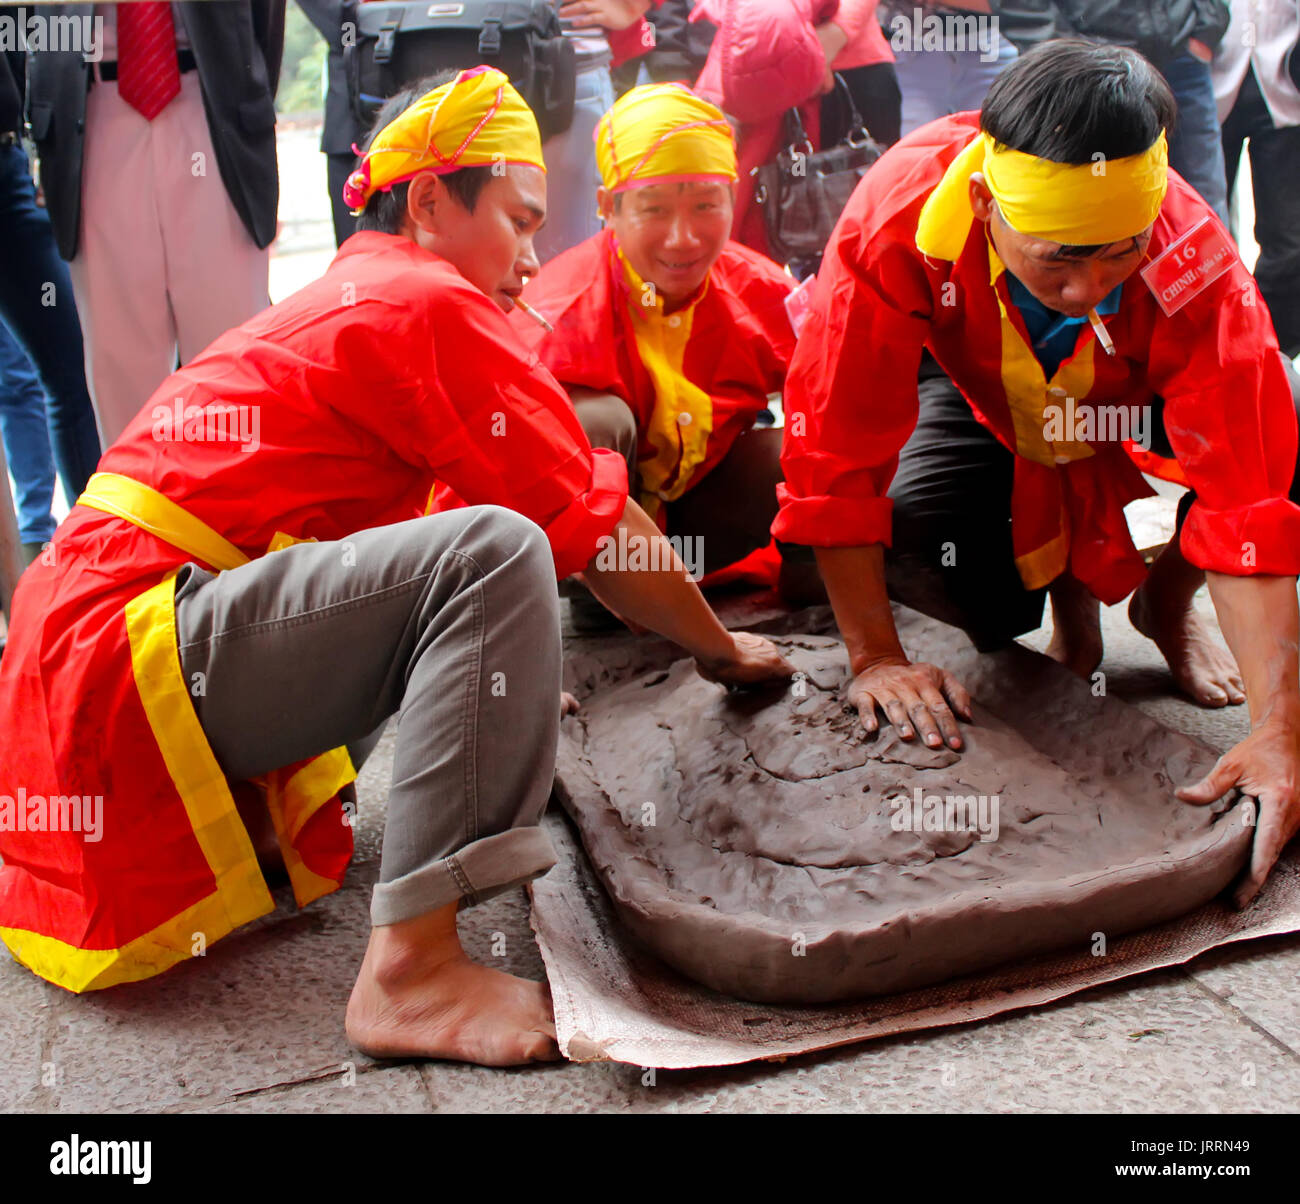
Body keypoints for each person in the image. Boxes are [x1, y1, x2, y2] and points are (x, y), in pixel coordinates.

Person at [0, 67, 791, 1067]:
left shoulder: (364, 287)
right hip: (123, 641)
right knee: (495, 552)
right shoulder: (425, 298)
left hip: (92, 634)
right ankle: (411, 970)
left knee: (480, 547)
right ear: (427, 202)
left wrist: (495, 691)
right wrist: (721, 650)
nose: (527, 257)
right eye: (513, 220)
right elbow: (588, 523)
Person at [776, 39, 1300, 906]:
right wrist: (875, 659)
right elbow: (835, 447)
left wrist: (1278, 734)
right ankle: (1061, 603)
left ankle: (1163, 602)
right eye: (1057, 257)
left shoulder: (1185, 251)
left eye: (1116, 255)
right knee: (947, 565)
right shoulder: (898, 214)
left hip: (1124, 393)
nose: (1087, 288)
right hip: (981, 390)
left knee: (1290, 420)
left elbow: (1247, 491)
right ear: (986, 205)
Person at [514, 83, 817, 599]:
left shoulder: (765, 292)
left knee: (808, 439)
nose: (684, 238)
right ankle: (607, 598)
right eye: (654, 211)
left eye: (705, 205)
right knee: (594, 420)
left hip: (700, 528)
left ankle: (816, 592)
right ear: (608, 206)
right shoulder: (553, 312)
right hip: (587, 543)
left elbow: (838, 400)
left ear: (733, 195)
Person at [25, 1, 285, 445]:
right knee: (120, 363)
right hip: (90, 115)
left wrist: (248, 95)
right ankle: (141, 509)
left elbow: (266, 16)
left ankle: (243, 507)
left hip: (211, 108)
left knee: (232, 352)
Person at [1214, 0, 1300, 357]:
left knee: (1290, 239)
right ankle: (1220, 345)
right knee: (1207, 238)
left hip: (1287, 85)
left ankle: (1268, 350)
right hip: (1202, 81)